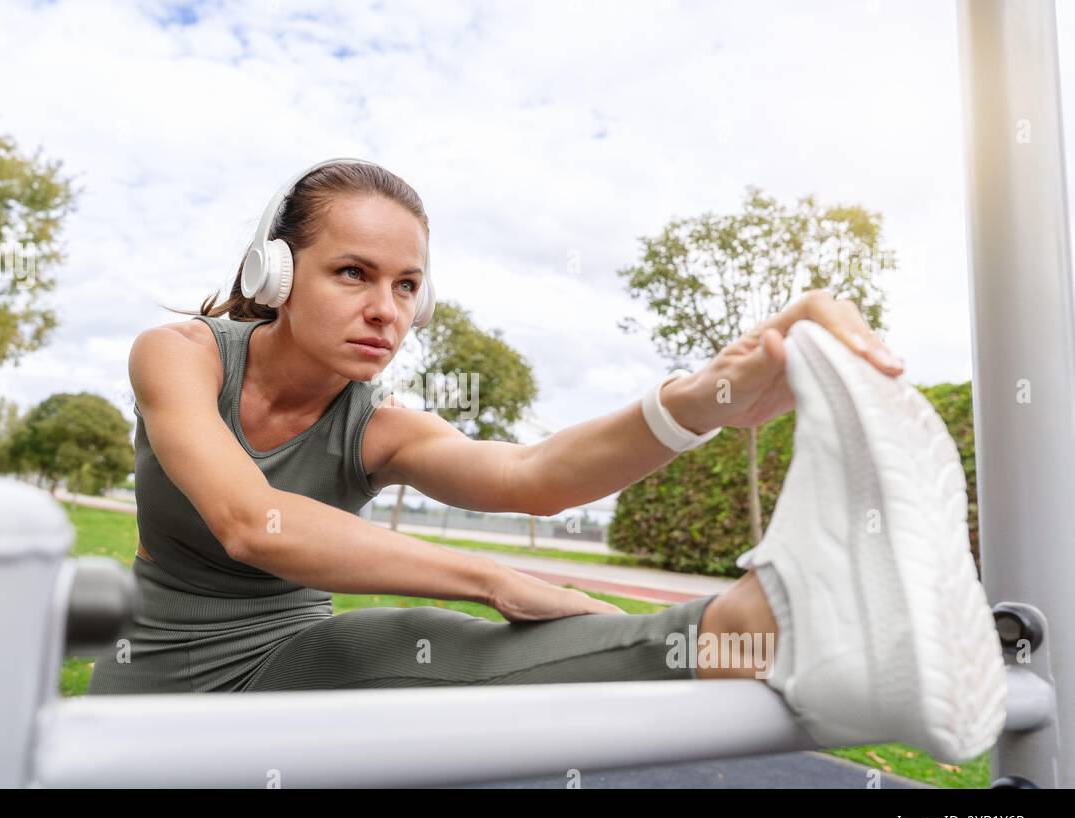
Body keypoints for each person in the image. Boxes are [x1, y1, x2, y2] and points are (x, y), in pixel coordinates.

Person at [86, 159, 1004, 765]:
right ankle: (781, 622)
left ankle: (772, 625)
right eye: (353, 273)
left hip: (297, 660)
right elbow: (254, 524)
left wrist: (707, 396)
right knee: (485, 611)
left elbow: (537, 476)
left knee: (443, 647)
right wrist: (493, 574)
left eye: (407, 285)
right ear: (278, 273)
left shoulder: (381, 425)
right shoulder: (182, 354)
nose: (388, 310)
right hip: (156, 688)